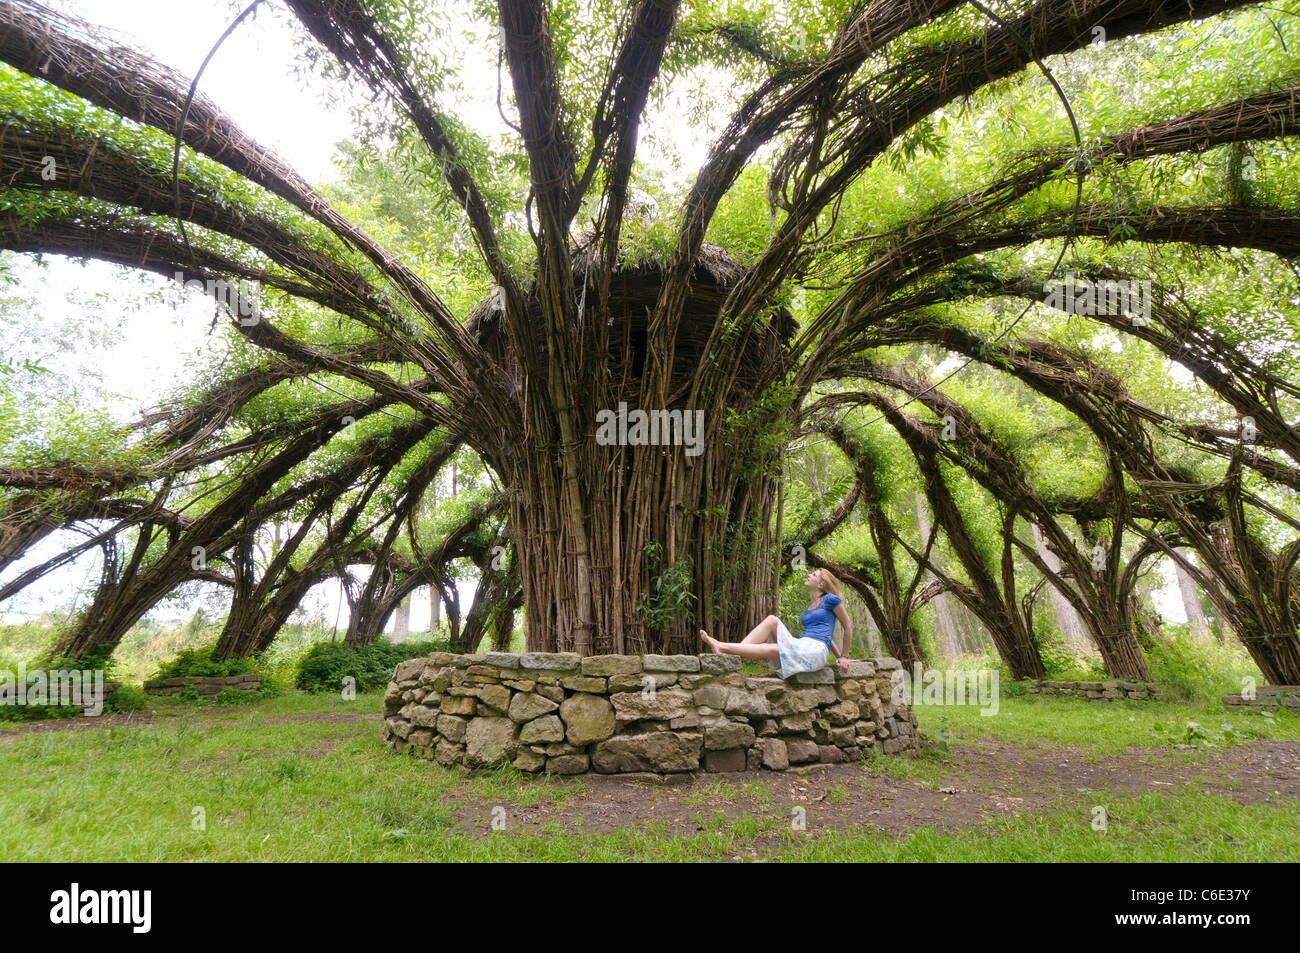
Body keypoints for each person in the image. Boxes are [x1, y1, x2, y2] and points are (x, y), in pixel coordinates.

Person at [699, 568, 854, 677]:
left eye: (813, 575)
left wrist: (844, 656)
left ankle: (722, 647)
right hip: (804, 645)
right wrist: (838, 655)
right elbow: (828, 636)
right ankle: (734, 651)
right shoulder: (810, 605)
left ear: (821, 584)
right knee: (772, 621)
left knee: (772, 647)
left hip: (814, 652)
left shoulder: (831, 600)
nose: (808, 575)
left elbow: (847, 627)